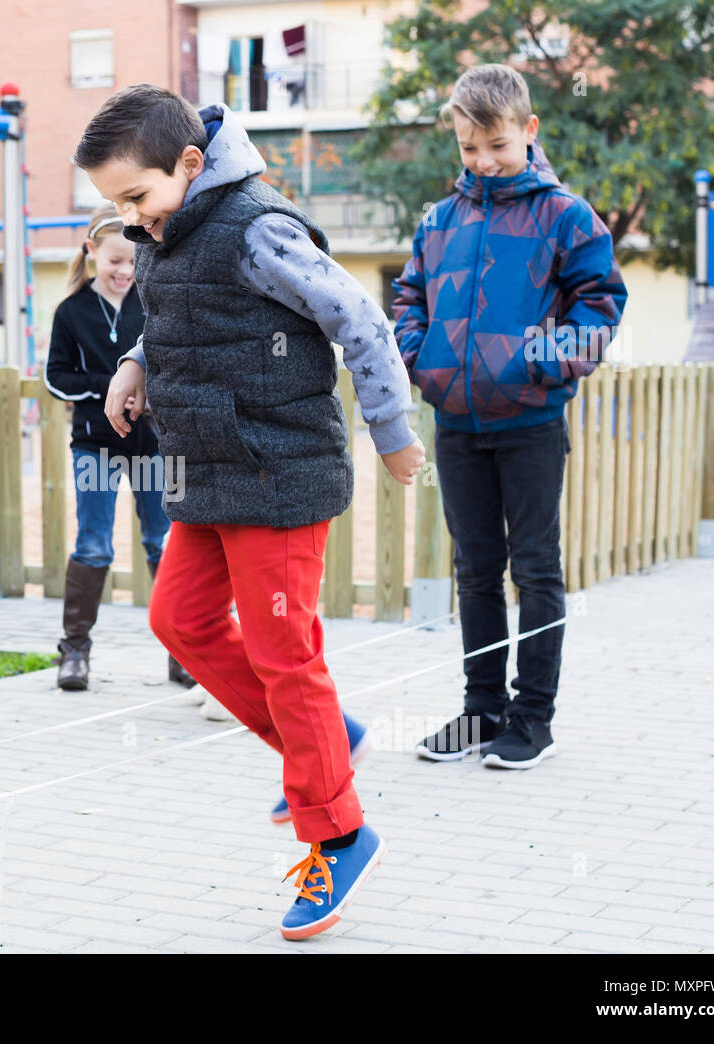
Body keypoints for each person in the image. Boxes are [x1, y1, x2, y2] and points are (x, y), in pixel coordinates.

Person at [75, 84, 426, 940]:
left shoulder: (259, 228)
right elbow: (174, 317)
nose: (131, 219)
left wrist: (391, 429)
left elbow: (361, 322)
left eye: (135, 197)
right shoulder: (169, 227)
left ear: (190, 166)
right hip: (212, 466)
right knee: (180, 619)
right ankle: (326, 744)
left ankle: (339, 832)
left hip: (280, 469)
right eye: (116, 205)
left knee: (282, 651)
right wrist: (133, 365)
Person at [392, 64, 627, 770]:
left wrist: (537, 364)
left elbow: (600, 305)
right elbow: (410, 300)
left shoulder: (567, 217)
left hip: (530, 424)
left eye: (495, 144)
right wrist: (421, 359)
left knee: (535, 570)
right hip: (459, 426)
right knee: (475, 572)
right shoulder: (439, 221)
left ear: (528, 130)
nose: (483, 161)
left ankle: (532, 720)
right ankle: (481, 710)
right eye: (469, 149)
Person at [43, 203, 196, 694]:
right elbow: (56, 377)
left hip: (154, 444)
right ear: (92, 253)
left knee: (163, 541)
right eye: (114, 261)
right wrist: (108, 386)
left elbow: (174, 360)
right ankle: (75, 651)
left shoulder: (153, 303)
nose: (123, 271)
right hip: (95, 446)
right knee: (93, 542)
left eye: (132, 262)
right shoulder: (70, 312)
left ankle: (183, 651)